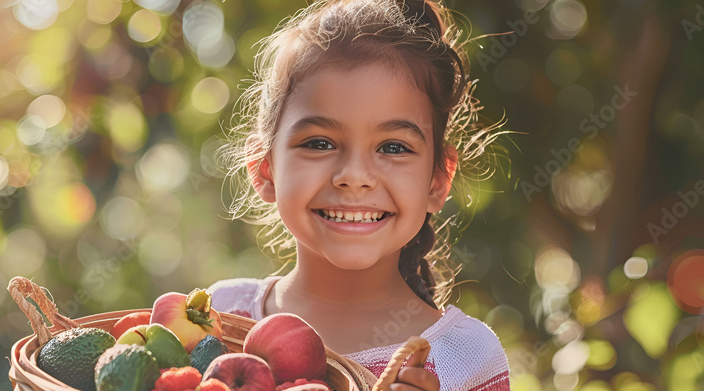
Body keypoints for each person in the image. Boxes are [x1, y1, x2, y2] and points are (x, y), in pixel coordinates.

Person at [207, 0, 511, 389]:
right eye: (319, 143)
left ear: (437, 180)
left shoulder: (464, 358)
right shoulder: (217, 317)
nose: (354, 177)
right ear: (265, 169)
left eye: (394, 147)